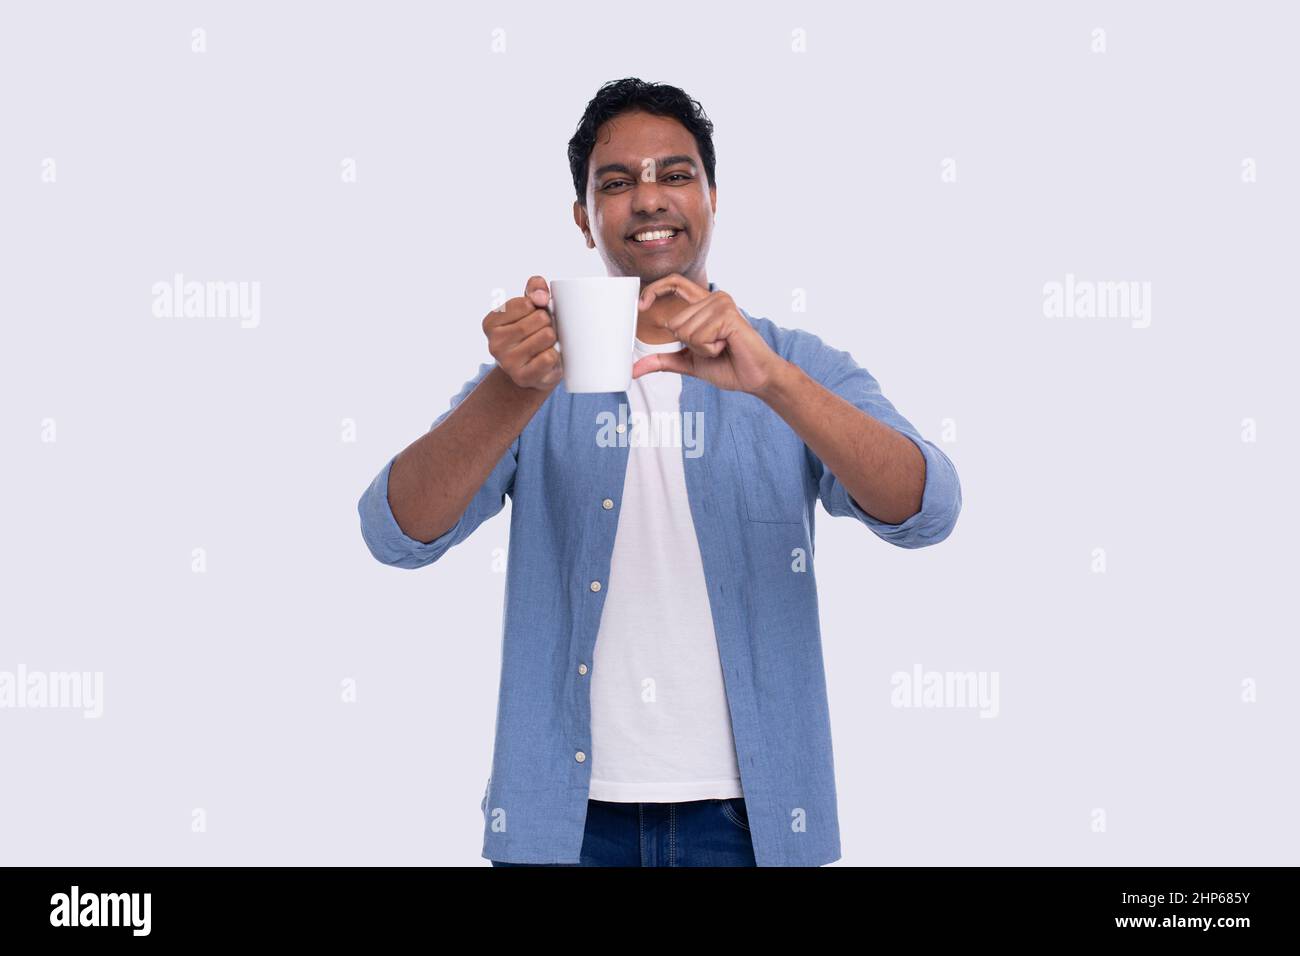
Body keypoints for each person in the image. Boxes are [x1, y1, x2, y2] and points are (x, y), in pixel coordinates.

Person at [357, 78, 962, 866]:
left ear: (712, 197)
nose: (648, 199)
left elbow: (929, 508)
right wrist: (513, 390)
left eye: (675, 175)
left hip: (755, 824)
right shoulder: (531, 374)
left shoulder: (795, 363)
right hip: (564, 825)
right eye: (616, 183)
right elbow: (396, 532)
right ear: (585, 220)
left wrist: (773, 381)